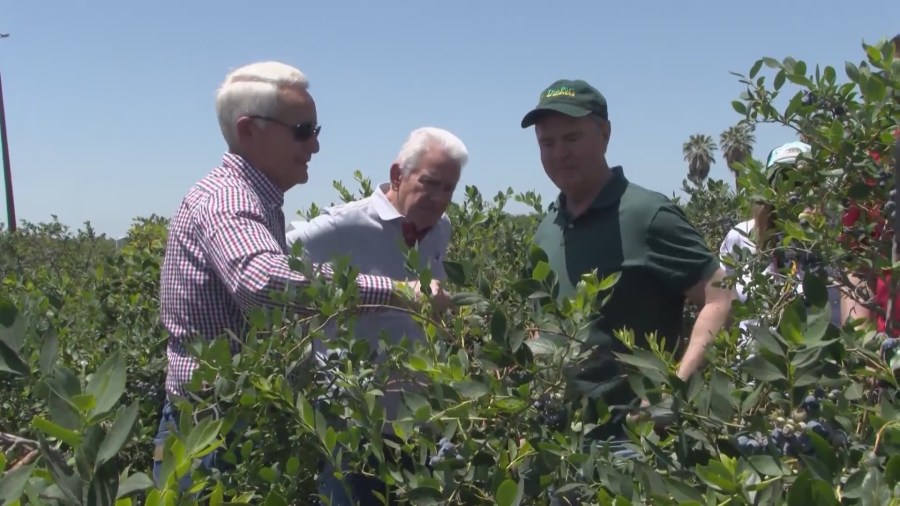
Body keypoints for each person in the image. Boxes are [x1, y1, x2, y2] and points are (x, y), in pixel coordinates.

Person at [153, 61, 449, 489]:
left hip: (224, 422)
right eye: (302, 130)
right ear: (249, 130)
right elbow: (264, 284)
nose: (314, 146)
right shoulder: (229, 200)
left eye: (316, 130)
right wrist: (401, 293)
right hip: (208, 430)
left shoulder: (257, 200)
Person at [520, 79, 734, 443]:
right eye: (547, 143)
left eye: (572, 138)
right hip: (558, 441)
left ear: (604, 134)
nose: (559, 153)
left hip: (633, 442)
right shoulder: (546, 227)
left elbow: (720, 297)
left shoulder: (647, 215)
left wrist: (675, 393)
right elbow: (539, 323)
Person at [286, 126, 468, 505]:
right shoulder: (345, 224)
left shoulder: (440, 230)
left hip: (418, 423)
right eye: (430, 183)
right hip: (351, 420)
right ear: (398, 175)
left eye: (449, 188)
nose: (438, 198)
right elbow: (275, 266)